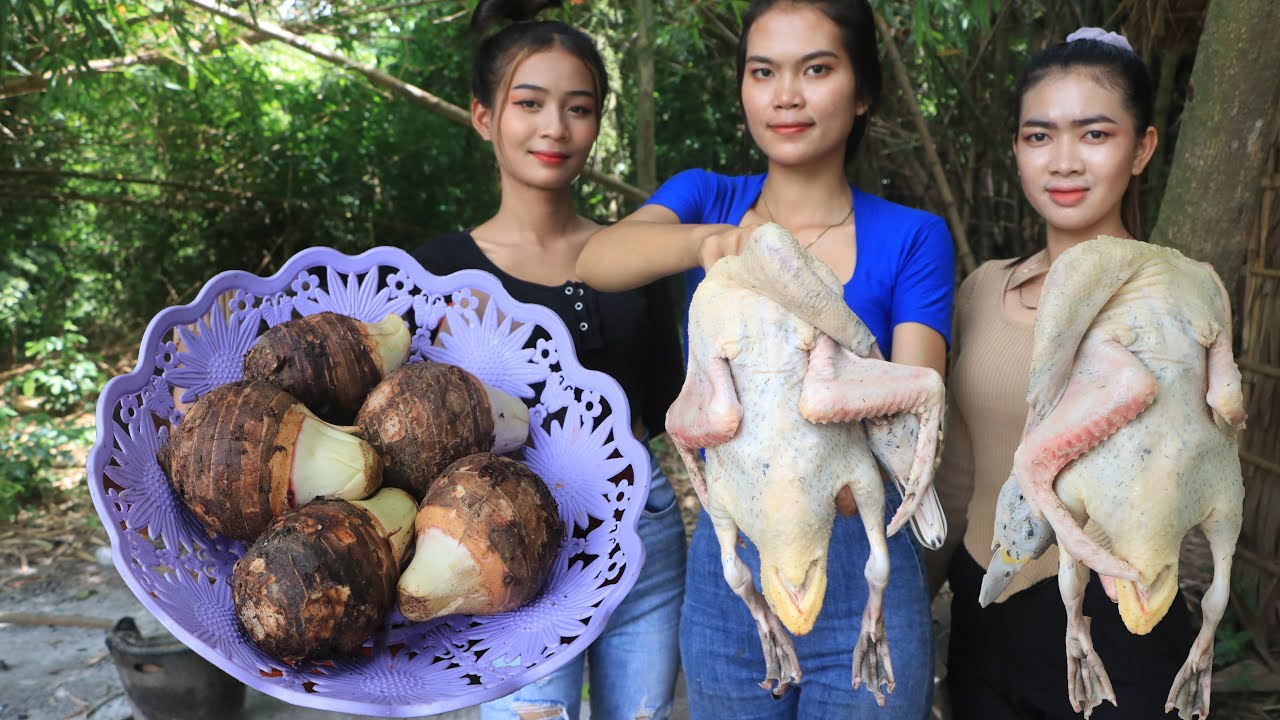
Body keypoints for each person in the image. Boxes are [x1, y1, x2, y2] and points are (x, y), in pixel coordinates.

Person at [577, 1, 954, 716]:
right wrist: (713, 245)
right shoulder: (707, 198)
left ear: (863, 89)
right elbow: (597, 259)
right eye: (763, 71)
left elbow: (908, 409)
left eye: (817, 68)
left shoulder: (913, 236)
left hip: (861, 561)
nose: (786, 94)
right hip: (730, 586)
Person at [412, 2, 687, 718]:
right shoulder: (437, 274)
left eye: (579, 108)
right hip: (504, 537)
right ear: (482, 117)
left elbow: (665, 407)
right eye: (529, 103)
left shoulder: (639, 259)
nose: (555, 129)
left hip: (642, 532)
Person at [929, 27, 1195, 719]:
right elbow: (961, 472)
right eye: (1040, 136)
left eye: (1095, 134)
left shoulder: (1177, 300)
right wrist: (911, 599)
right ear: (1016, 149)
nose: (1065, 161)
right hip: (983, 616)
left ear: (1142, 148)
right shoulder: (983, 290)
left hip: (1120, 628)